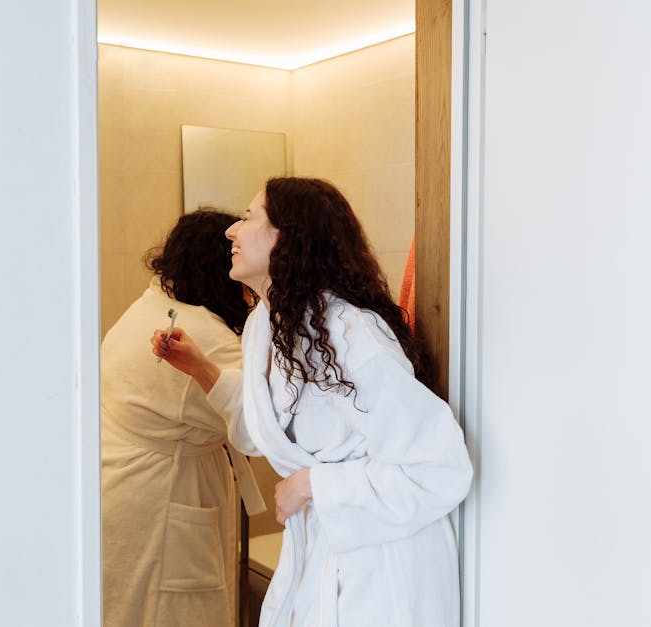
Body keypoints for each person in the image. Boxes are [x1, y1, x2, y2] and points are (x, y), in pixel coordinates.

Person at [152, 178, 473, 627]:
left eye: (248, 218)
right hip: (329, 554)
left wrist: (311, 486)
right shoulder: (269, 327)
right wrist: (201, 369)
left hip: (383, 568)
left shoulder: (349, 335)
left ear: (289, 237)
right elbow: (262, 431)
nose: (231, 231)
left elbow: (439, 468)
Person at [101, 209, 266, 627]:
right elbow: (261, 427)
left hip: (120, 486)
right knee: (172, 611)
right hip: (163, 498)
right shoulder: (204, 333)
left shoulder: (151, 303)